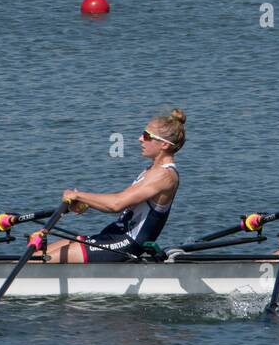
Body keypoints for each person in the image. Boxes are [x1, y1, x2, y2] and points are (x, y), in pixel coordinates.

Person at [39, 109, 185, 262]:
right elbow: (125, 202)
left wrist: (78, 195)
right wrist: (87, 203)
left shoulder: (164, 176)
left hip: (126, 244)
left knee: (43, 259)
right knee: (43, 250)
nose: (140, 139)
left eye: (147, 136)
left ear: (163, 144)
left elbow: (116, 204)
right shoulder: (151, 170)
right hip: (114, 235)